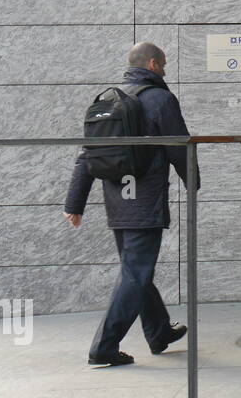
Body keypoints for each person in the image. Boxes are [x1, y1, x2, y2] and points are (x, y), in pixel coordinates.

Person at [64, 42, 197, 367]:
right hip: (145, 202)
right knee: (136, 274)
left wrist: (75, 202)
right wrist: (193, 182)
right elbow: (180, 146)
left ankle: (160, 332)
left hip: (117, 203)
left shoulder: (110, 101)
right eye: (163, 64)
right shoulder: (160, 100)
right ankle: (104, 346)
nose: (165, 70)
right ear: (152, 64)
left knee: (135, 271)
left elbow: (88, 154)